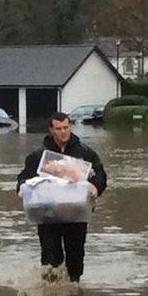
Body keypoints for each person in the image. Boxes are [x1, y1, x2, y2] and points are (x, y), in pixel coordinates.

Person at [17, 113, 107, 283]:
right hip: (48, 212)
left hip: (76, 212)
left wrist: (96, 187)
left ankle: (74, 288)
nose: (63, 132)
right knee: (50, 256)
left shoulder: (85, 152)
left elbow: (100, 175)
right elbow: (24, 178)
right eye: (59, 129)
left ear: (70, 127)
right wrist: (22, 189)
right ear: (51, 130)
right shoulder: (38, 155)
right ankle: (51, 293)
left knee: (75, 254)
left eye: (66, 127)